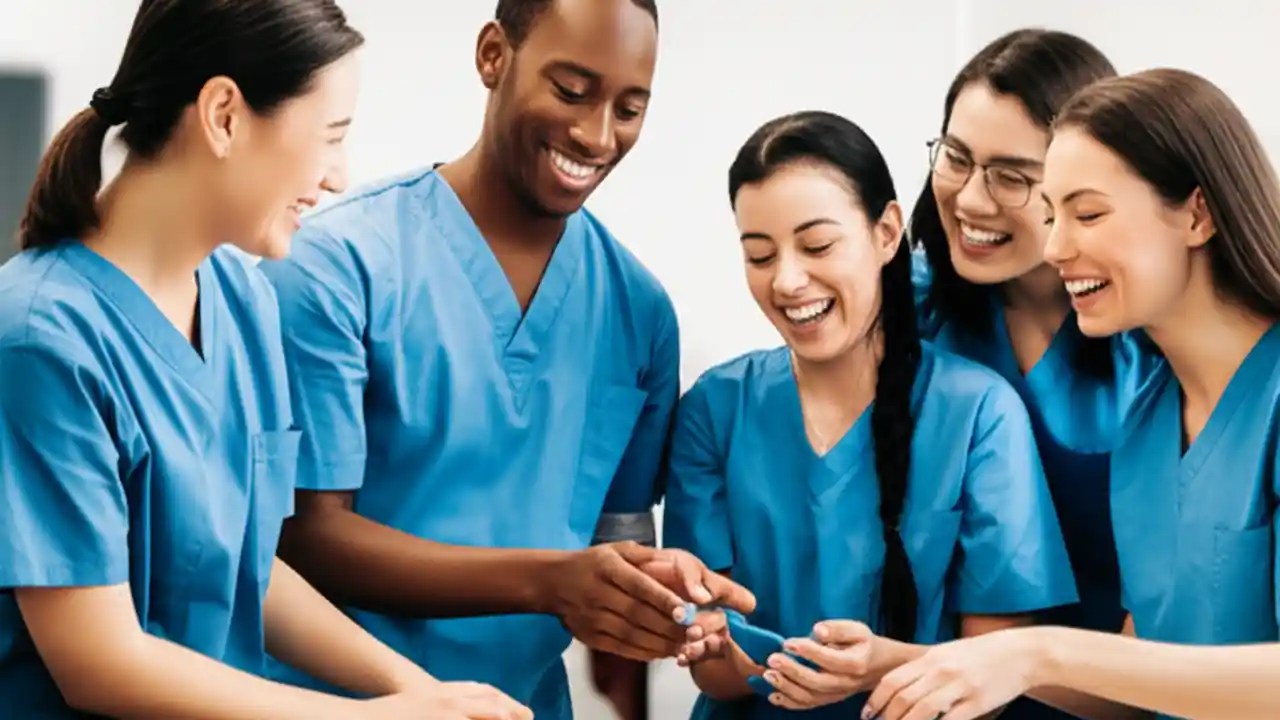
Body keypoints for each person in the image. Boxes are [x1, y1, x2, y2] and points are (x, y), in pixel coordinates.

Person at [0, 1, 529, 719]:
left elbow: (250, 566)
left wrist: (415, 689)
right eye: (331, 136)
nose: (340, 175)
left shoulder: (243, 299)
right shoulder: (41, 337)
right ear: (223, 115)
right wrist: (372, 718)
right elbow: (102, 663)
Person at [257, 1, 753, 718]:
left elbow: (612, 549)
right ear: (494, 55)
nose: (597, 134)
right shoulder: (335, 267)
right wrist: (551, 582)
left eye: (630, 107)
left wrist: (653, 593)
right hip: (334, 702)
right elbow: (301, 537)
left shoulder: (639, 314)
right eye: (571, 91)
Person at [863, 67, 1280, 720]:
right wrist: (908, 664)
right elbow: (1140, 685)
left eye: (1088, 213)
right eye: (1052, 216)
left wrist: (1039, 653)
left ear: (1197, 213)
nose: (1055, 248)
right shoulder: (1145, 423)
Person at [661, 110, 1078, 720]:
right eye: (759, 255)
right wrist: (731, 655)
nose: (788, 280)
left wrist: (878, 667)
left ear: (886, 235)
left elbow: (996, 669)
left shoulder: (980, 412)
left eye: (818, 245)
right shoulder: (715, 408)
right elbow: (712, 660)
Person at [908, 28, 1162, 720]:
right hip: (920, 695)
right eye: (956, 158)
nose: (970, 200)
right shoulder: (901, 309)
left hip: (1108, 699)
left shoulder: (1153, 347)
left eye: (1013, 176)